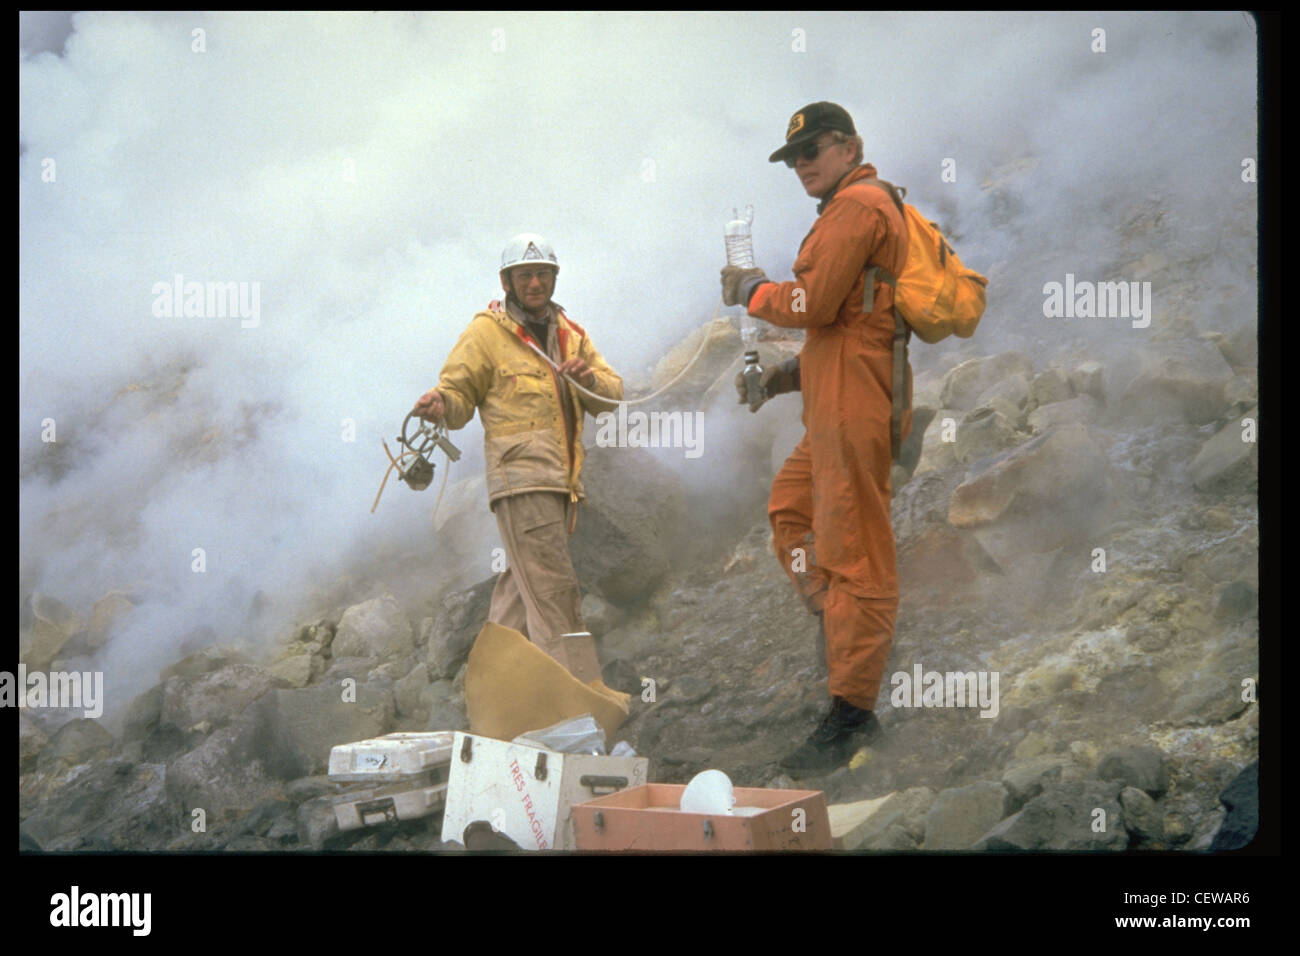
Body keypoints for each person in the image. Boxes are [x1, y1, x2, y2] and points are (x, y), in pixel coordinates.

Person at [720, 102, 912, 774]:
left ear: (850, 146)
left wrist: (752, 290)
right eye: (795, 156)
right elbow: (844, 325)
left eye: (815, 150)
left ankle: (852, 714)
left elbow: (815, 305)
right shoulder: (841, 211)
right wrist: (783, 377)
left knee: (857, 555)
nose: (803, 164)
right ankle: (837, 621)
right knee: (790, 512)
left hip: (855, 409)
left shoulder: (858, 207)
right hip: (834, 401)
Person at [414, 234, 623, 678]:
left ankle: (491, 693)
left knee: (521, 586)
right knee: (554, 591)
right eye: (525, 275)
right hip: (522, 479)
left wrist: (589, 379)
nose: (535, 283)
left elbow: (612, 395)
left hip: (561, 482)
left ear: (554, 277)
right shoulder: (486, 333)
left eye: (543, 273)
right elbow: (458, 394)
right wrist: (440, 404)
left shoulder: (572, 335)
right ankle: (578, 703)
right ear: (506, 281)